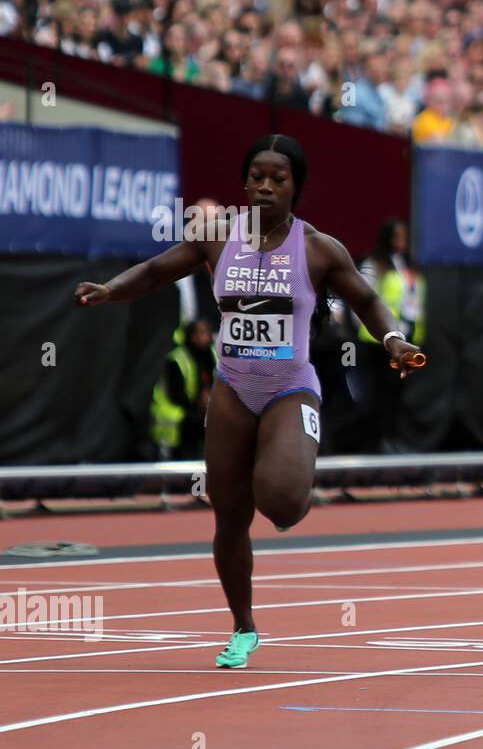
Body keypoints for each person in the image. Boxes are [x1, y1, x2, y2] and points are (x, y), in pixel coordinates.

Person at [75, 134, 423, 668]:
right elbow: (155, 271)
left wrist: (394, 340)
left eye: (277, 179)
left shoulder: (318, 249)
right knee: (229, 515)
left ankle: (295, 473)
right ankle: (243, 626)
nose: (264, 186)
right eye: (256, 176)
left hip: (290, 387)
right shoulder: (217, 236)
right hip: (234, 388)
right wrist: (110, 289)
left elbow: (370, 301)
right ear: (244, 183)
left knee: (279, 501)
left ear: (295, 188)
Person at [355, 219, 425, 451]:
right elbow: (362, 300)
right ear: (388, 238)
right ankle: (375, 442)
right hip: (376, 341)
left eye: (405, 236)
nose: (402, 241)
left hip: (402, 339)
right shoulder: (374, 265)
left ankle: (391, 439)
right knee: (378, 393)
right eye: (398, 236)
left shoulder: (403, 265)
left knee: (396, 392)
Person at [150, 318, 218, 459]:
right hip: (175, 415)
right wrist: (199, 404)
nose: (202, 337)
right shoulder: (177, 360)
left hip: (203, 410)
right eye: (198, 333)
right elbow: (176, 395)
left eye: (205, 332)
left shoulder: (212, 356)